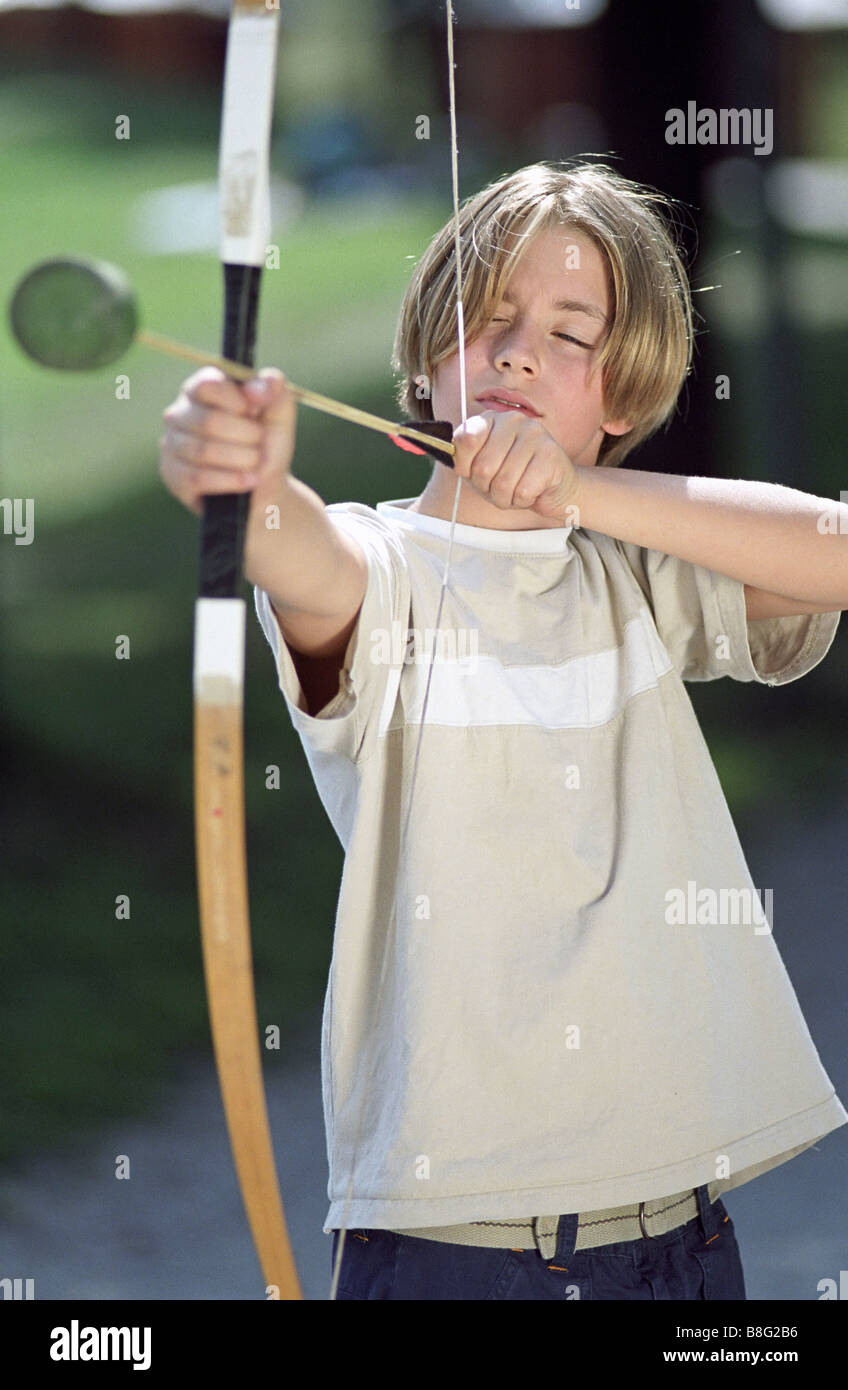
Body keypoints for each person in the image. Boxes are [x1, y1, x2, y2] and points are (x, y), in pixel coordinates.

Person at [160, 161, 847, 1300]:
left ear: (619, 398)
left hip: (682, 1234)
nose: (522, 352)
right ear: (432, 362)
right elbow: (296, 553)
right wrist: (246, 476)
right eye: (490, 321)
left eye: (571, 336)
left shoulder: (632, 574)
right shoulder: (386, 572)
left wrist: (577, 494)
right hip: (456, 1246)